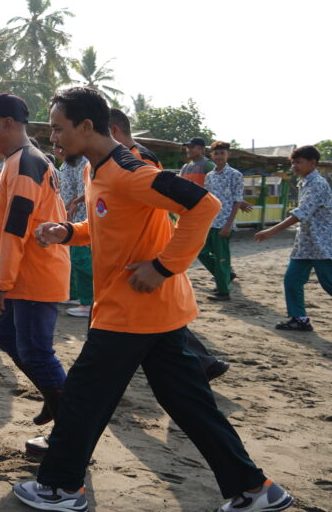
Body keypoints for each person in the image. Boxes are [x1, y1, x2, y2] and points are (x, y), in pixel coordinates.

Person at [13, 86, 293, 512]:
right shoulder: (97, 171)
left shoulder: (129, 169)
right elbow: (110, 225)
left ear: (86, 127)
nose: (53, 137)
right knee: (189, 403)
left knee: (85, 396)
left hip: (133, 310)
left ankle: (61, 486)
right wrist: (68, 232)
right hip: (154, 312)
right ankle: (254, 487)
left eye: (57, 128)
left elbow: (205, 205)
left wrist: (163, 267)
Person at [0, 94, 70, 436]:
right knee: (1, 330)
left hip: (35, 273)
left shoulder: (26, 163)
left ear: (8, 124)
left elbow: (16, 228)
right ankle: (53, 393)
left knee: (36, 352)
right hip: (26, 271)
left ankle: (70, 427)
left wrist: (0, 282)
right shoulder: (18, 161)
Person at [108, 109, 229, 380]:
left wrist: (164, 264)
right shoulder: (131, 160)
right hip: (145, 249)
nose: (189, 151)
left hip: (152, 250)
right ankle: (203, 364)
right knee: (160, 322)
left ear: (112, 131)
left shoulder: (137, 159)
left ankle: (202, 362)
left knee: (156, 319)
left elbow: (200, 203)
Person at [254, 145, 332, 332]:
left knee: (329, 282)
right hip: (305, 243)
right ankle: (299, 319)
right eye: (292, 163)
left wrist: (271, 231)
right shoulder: (303, 182)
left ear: (312, 163)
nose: (294, 166)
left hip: (321, 243)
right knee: (292, 279)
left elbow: (301, 213)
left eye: (298, 162)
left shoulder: (317, 183)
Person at [201, 141, 251, 301]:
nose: (219, 156)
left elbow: (237, 200)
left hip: (224, 222)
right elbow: (208, 197)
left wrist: (228, 225)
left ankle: (223, 291)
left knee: (221, 257)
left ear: (228, 154)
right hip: (210, 221)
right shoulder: (210, 176)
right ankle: (225, 275)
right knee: (201, 251)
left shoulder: (235, 175)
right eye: (216, 153)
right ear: (211, 155)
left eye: (222, 153)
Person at [56, 144, 92, 318]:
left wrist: (73, 204)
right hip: (72, 218)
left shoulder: (83, 162)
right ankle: (76, 296)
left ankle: (88, 301)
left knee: (81, 261)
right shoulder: (68, 164)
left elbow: (83, 190)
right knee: (74, 259)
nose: (57, 150)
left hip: (81, 218)